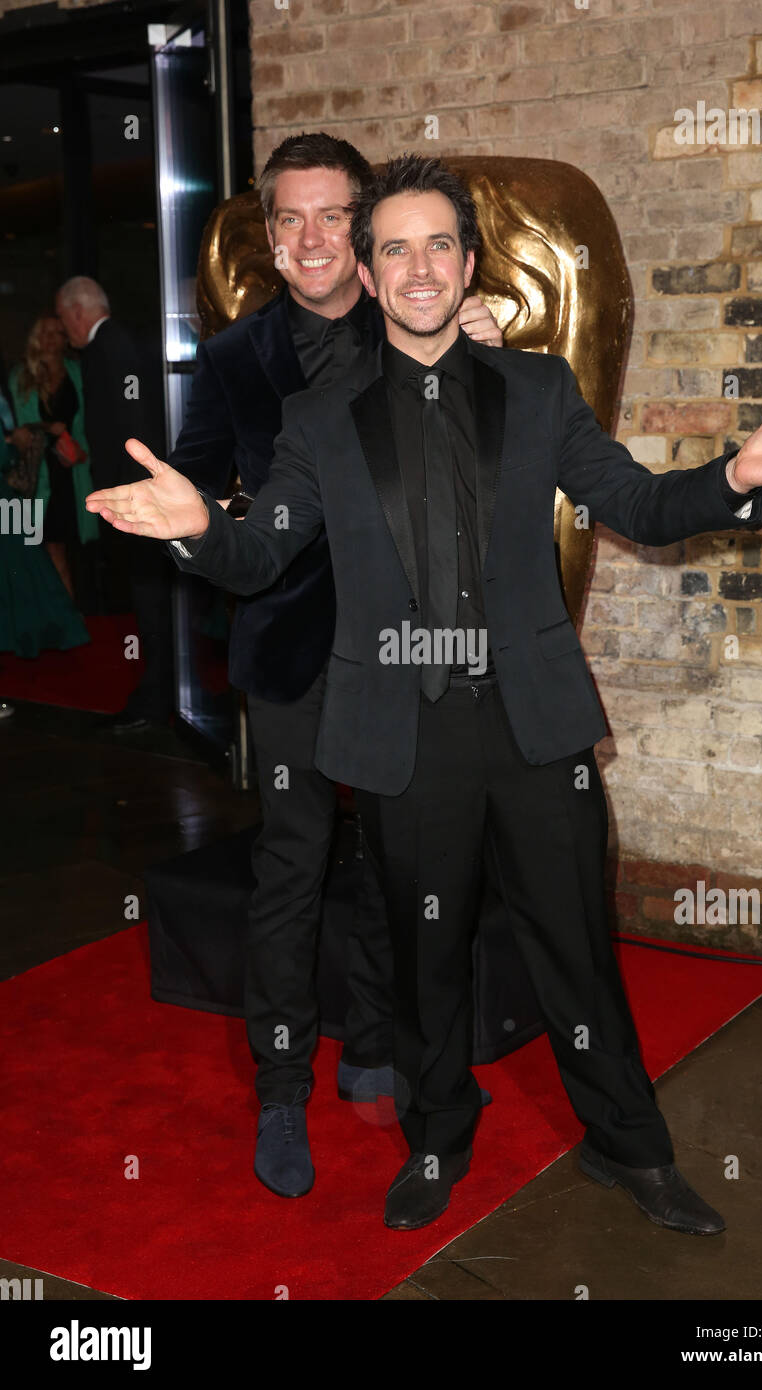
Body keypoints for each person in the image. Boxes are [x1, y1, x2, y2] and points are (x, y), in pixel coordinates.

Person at [87, 153, 762, 1236]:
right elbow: (263, 556)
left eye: (437, 243)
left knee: (575, 949)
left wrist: (733, 471)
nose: (415, 265)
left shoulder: (534, 388)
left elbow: (633, 501)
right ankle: (437, 1138)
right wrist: (201, 530)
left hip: (532, 719)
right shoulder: (318, 416)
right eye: (392, 245)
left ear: (465, 263)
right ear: (368, 263)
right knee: (420, 955)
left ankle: (628, 1149)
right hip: (403, 731)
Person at [88, 133, 502, 1199]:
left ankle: (376, 1043)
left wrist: (484, 352)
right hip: (285, 653)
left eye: (332, 216)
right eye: (291, 219)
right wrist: (209, 514)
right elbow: (190, 481)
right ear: (268, 240)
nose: (312, 238)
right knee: (291, 865)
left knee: (393, 865)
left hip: (408, 652)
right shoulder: (232, 359)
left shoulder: (421, 323)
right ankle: (281, 1085)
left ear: (362, 231)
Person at [55, 277, 173, 730]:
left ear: (78, 311)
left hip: (136, 498)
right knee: (149, 600)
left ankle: (156, 700)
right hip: (135, 494)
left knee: (150, 600)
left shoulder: (112, 344)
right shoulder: (116, 341)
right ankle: (157, 694)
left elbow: (134, 423)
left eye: (65, 318)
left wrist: (131, 497)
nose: (65, 329)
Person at [8, 314, 100, 598]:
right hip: (38, 473)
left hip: (72, 472)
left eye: (58, 333)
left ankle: (70, 616)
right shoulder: (21, 376)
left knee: (72, 547)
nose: (50, 338)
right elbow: (16, 428)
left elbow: (90, 421)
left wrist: (84, 453)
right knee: (48, 547)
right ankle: (67, 618)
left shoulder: (76, 371)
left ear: (65, 339)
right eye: (45, 332)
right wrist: (47, 428)